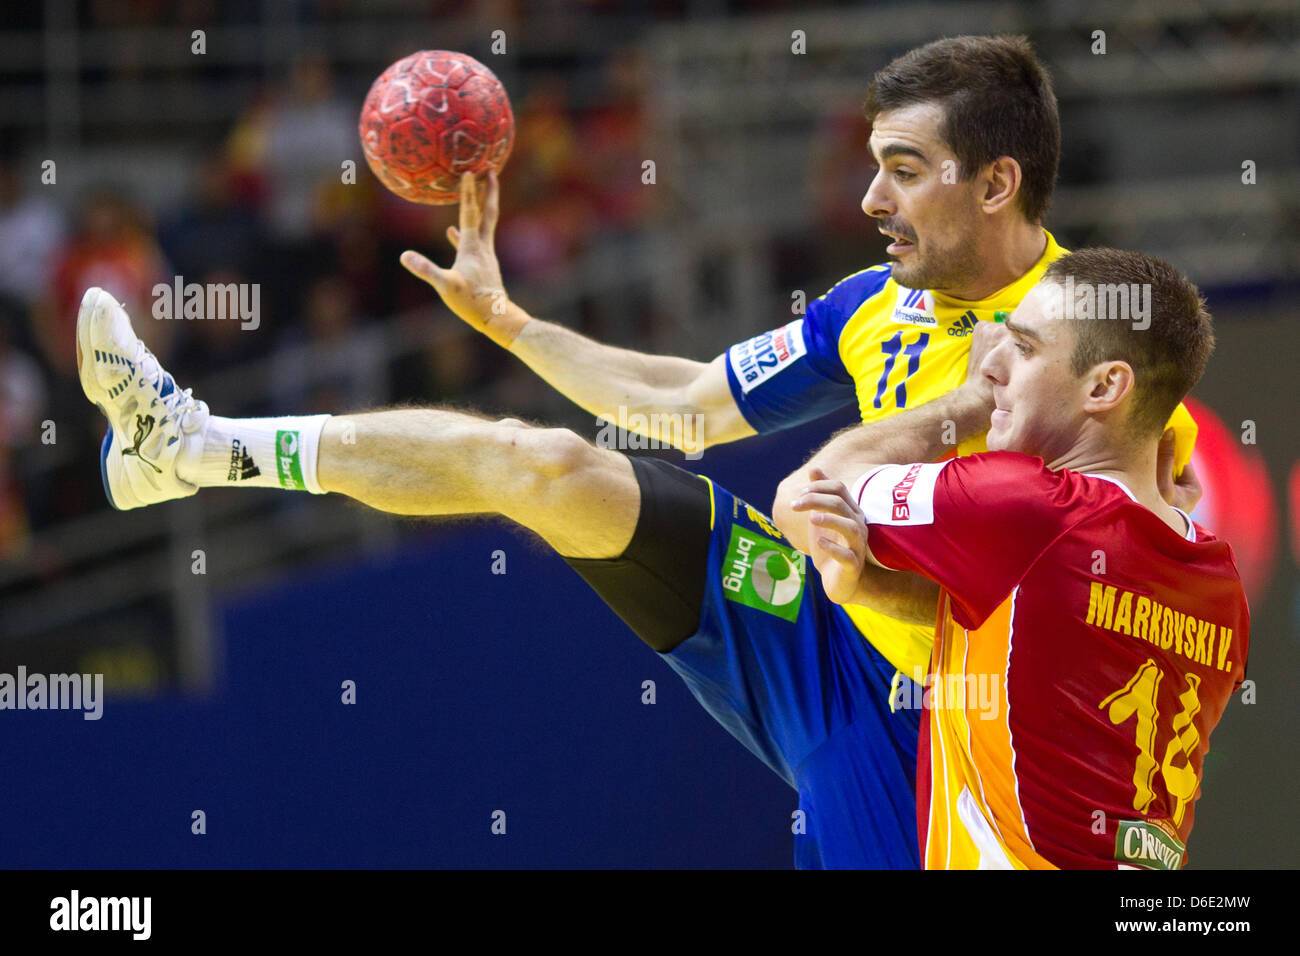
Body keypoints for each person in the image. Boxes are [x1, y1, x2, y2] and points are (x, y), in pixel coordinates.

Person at [79, 34, 1200, 869]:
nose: (868, 199)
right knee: (549, 468)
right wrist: (513, 325)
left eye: (905, 169)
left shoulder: (1099, 368)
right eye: (874, 164)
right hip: (813, 618)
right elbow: (686, 404)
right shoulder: (872, 308)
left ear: (995, 183)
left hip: (939, 721)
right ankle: (195, 444)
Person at [774, 248, 1248, 868]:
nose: (991, 364)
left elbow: (805, 493)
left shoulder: (1022, 507)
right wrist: (872, 590)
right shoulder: (1220, 585)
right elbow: (1025, 627)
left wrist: (966, 404)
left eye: (1022, 348)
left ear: (1105, 386)